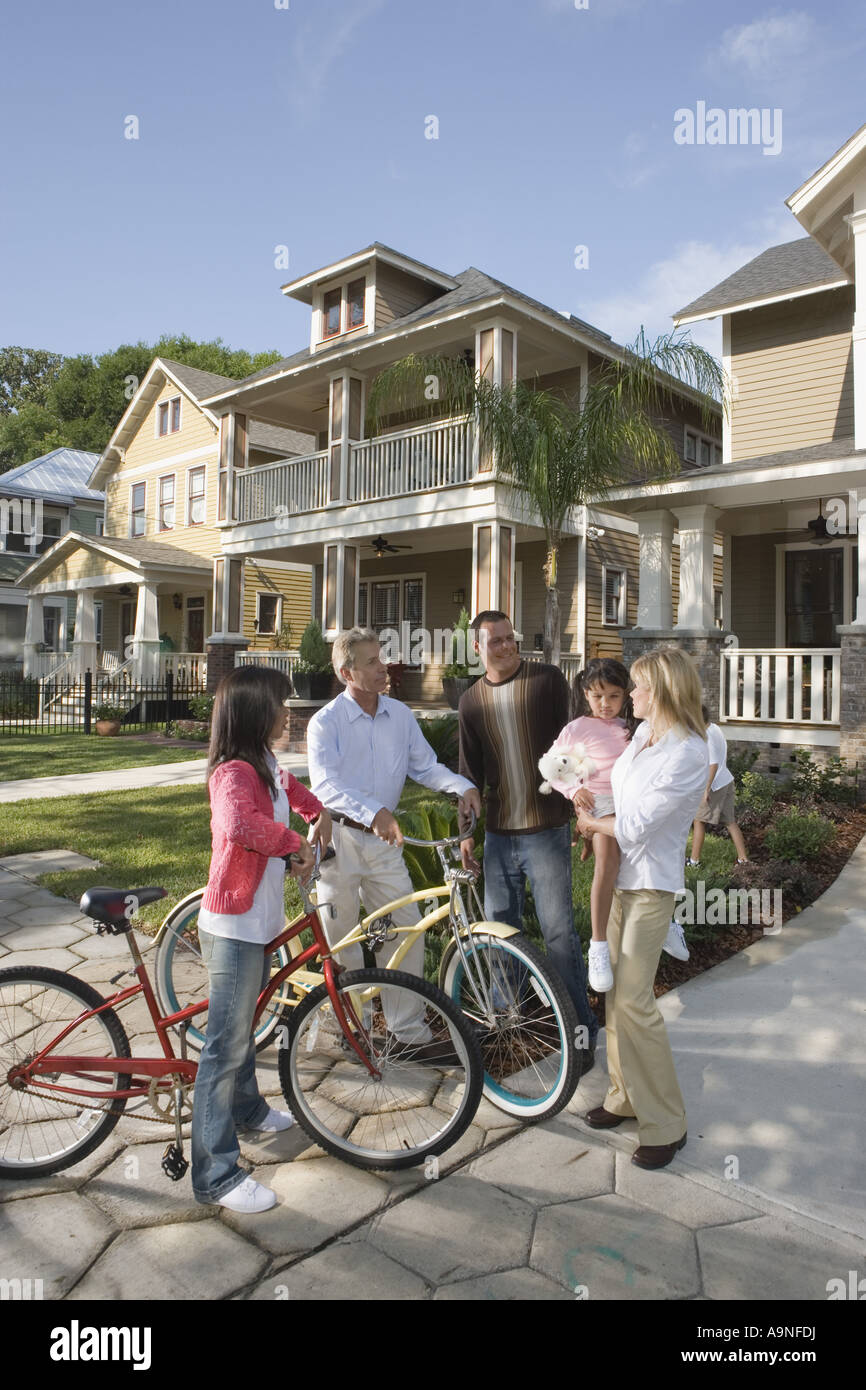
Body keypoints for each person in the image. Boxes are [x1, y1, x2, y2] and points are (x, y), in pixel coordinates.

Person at [191, 665, 331, 1215]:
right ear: (254, 710)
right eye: (280, 702)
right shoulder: (233, 773)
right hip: (234, 928)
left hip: (258, 920)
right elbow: (240, 827)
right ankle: (215, 1175)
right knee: (223, 1049)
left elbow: (294, 792)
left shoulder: (266, 764)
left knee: (245, 1026)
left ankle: (247, 1113)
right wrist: (293, 840)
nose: (286, 711)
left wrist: (319, 813)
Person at [307, 627, 481, 1042]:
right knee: (343, 940)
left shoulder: (400, 715)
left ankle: (408, 1031)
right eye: (371, 661)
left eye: (380, 658)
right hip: (339, 843)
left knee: (404, 929)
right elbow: (325, 787)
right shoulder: (324, 723)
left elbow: (424, 766)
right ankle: (352, 1029)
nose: (382, 667)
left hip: (384, 845)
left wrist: (462, 786)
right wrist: (375, 813)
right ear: (347, 672)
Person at [575, 647, 708, 1169]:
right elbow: (622, 805)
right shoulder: (642, 740)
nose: (629, 695)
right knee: (614, 999)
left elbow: (636, 827)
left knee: (633, 1000)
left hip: (651, 887)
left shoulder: (687, 751)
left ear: (664, 690)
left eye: (637, 687)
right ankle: (623, 1097)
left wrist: (594, 825)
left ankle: (666, 1121)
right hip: (620, 882)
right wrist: (589, 802)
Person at [458, 611, 598, 1070]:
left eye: (509, 637)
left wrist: (584, 815)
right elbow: (469, 776)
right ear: (477, 648)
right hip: (499, 832)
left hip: (546, 827)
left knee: (559, 931)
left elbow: (578, 746)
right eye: (494, 641)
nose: (506, 646)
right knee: (501, 931)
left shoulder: (548, 681)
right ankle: (508, 1020)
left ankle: (580, 1029)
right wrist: (466, 837)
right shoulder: (471, 703)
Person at [541, 658, 636, 994]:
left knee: (642, 864)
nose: (605, 704)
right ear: (585, 694)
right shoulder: (578, 727)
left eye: (613, 696)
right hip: (599, 803)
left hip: (632, 802)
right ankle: (597, 945)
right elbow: (550, 765)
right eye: (597, 697)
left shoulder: (633, 725)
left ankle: (665, 922)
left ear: (626, 694)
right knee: (607, 863)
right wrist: (573, 789)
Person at [689, 705, 749, 867]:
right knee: (730, 821)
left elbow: (713, 764)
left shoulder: (707, 736)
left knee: (698, 821)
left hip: (715, 785)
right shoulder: (715, 728)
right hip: (726, 779)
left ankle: (694, 861)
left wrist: (706, 789)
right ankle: (743, 859)